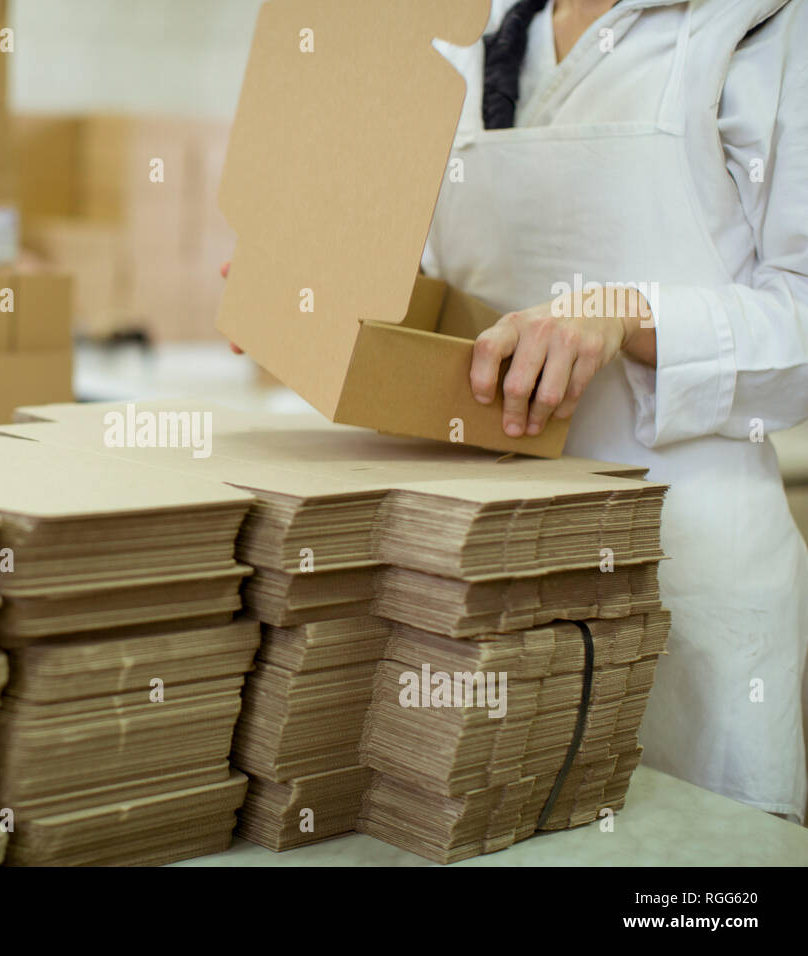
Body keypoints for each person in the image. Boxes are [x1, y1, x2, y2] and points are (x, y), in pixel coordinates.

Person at [227, 0, 808, 823]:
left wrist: (625, 316)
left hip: (689, 571)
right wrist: (309, 296)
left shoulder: (760, 27)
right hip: (480, 561)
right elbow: (439, 282)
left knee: (688, 879)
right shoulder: (481, 37)